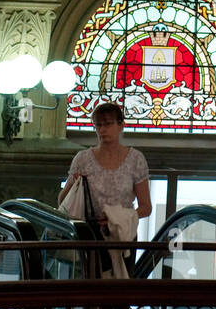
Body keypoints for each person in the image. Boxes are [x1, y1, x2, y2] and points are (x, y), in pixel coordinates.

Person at [58, 101, 152, 270]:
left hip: (122, 234)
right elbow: (62, 201)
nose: (102, 130)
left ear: (121, 125)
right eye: (98, 125)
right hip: (88, 234)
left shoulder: (136, 159)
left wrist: (118, 217)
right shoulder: (82, 158)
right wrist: (74, 185)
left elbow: (146, 207)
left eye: (108, 124)